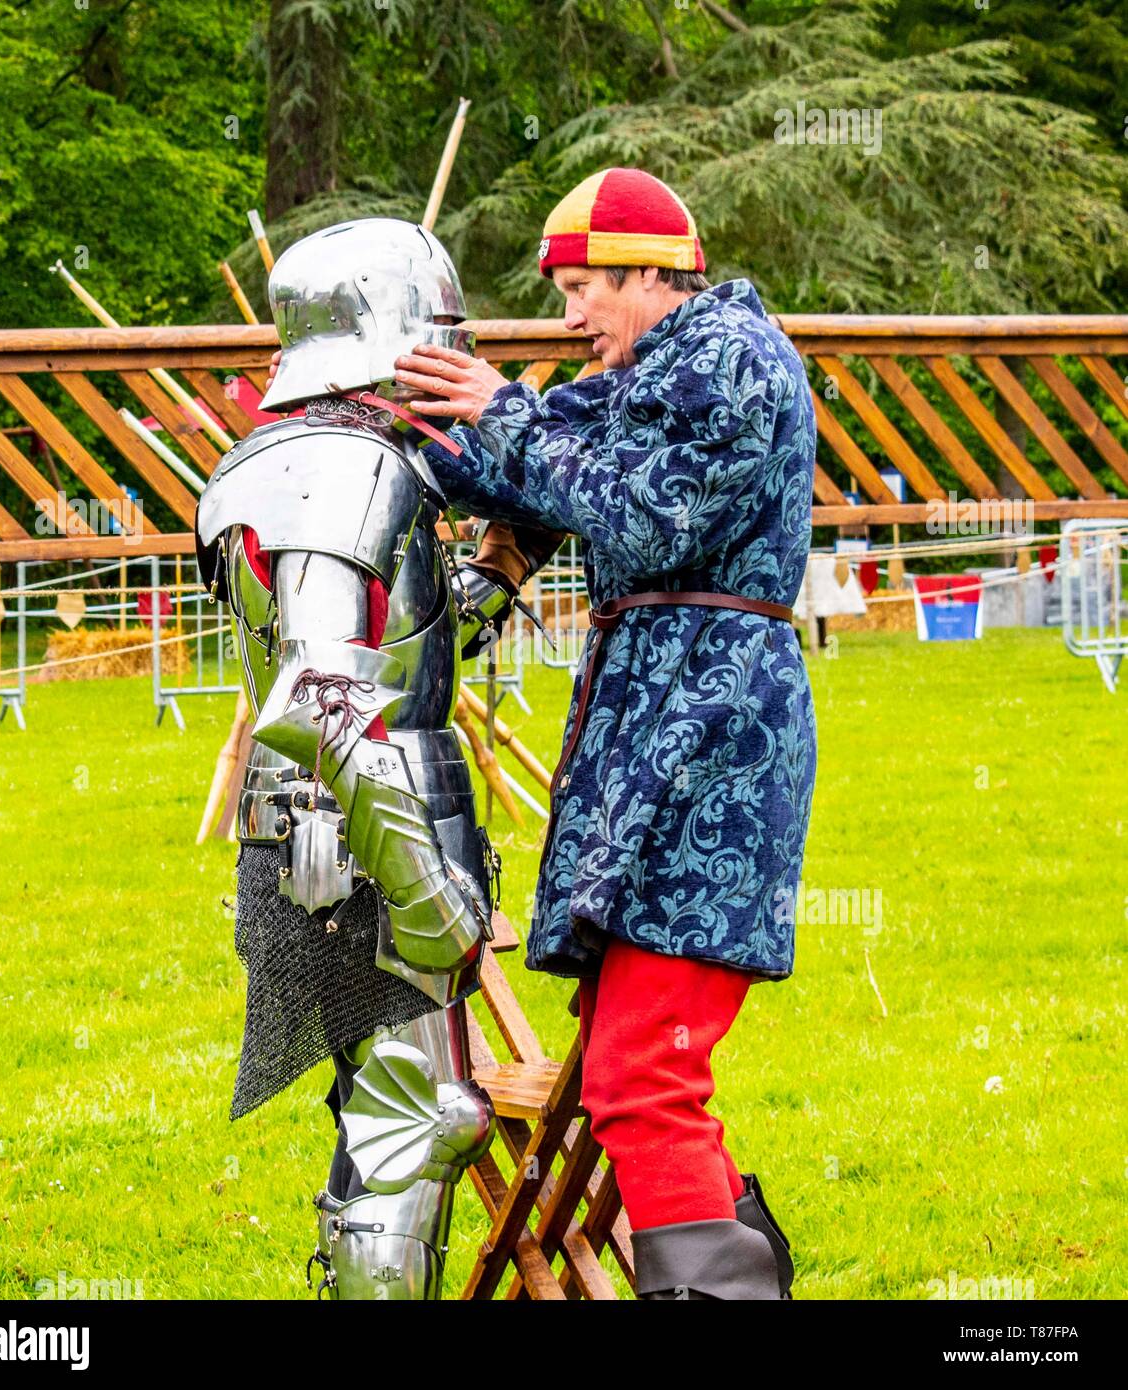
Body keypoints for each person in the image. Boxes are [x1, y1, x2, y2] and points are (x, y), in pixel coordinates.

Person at [391, 167, 819, 1300]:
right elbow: (514, 466)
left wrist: (495, 407)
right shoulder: (644, 370)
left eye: (584, 288)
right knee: (636, 1060)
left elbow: (635, 508)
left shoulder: (730, 361)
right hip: (653, 729)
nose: (570, 315)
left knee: (640, 1072)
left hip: (716, 735)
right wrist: (381, 424)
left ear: (652, 273)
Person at [197, 217, 561, 1299]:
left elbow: (394, 647)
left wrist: (494, 573)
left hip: (330, 825)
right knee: (415, 1122)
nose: (455, 355)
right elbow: (321, 691)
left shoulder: (295, 456)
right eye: (439, 332)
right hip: (361, 836)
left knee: (394, 1115)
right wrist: (419, 883)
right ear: (388, 332)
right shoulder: (343, 463)